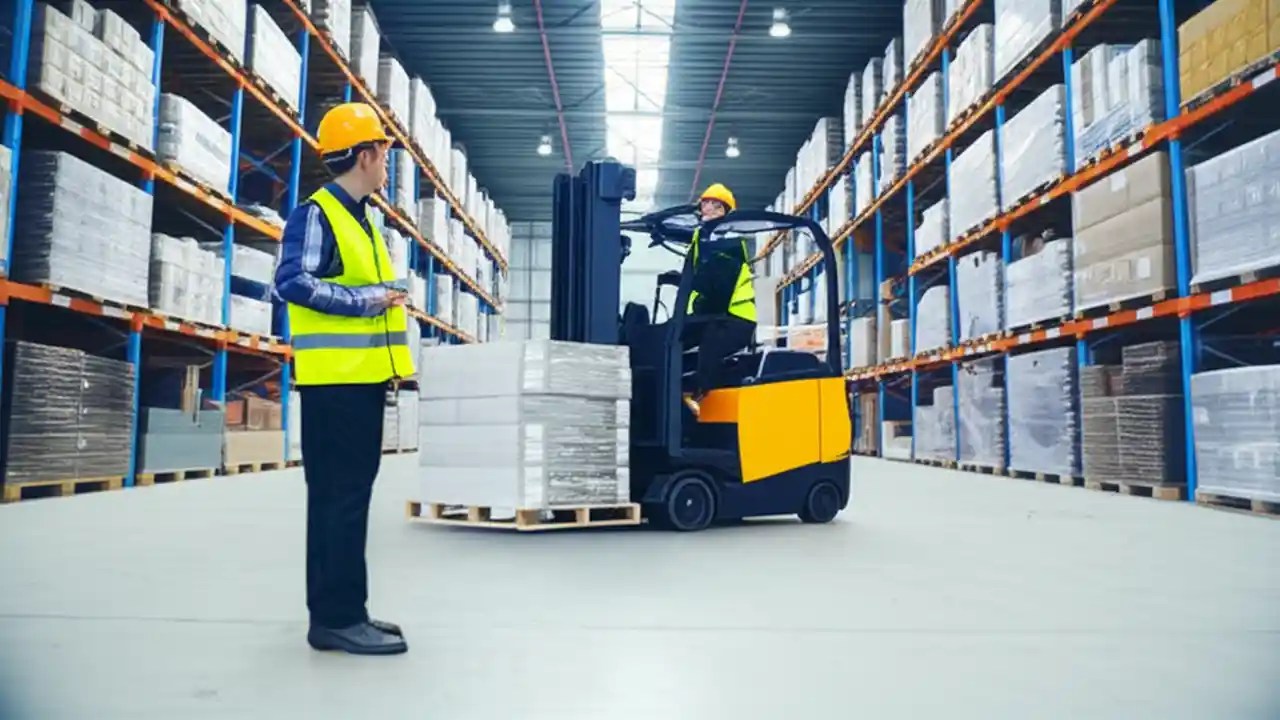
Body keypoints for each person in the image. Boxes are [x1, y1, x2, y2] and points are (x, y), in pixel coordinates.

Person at [273, 102, 415, 656]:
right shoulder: (318, 213)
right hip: (335, 383)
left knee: (347, 497)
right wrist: (369, 300)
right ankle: (335, 618)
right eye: (383, 154)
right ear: (364, 154)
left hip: (358, 380)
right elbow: (292, 281)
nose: (387, 165)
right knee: (340, 497)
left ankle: (344, 611)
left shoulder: (361, 218)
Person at [685, 183, 757, 396]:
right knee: (676, 340)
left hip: (736, 317)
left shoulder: (729, 239)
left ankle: (705, 397)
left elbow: (718, 279)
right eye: (705, 204)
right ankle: (685, 393)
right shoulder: (704, 237)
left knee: (710, 347)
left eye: (714, 205)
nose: (706, 208)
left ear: (724, 211)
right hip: (717, 313)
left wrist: (693, 284)